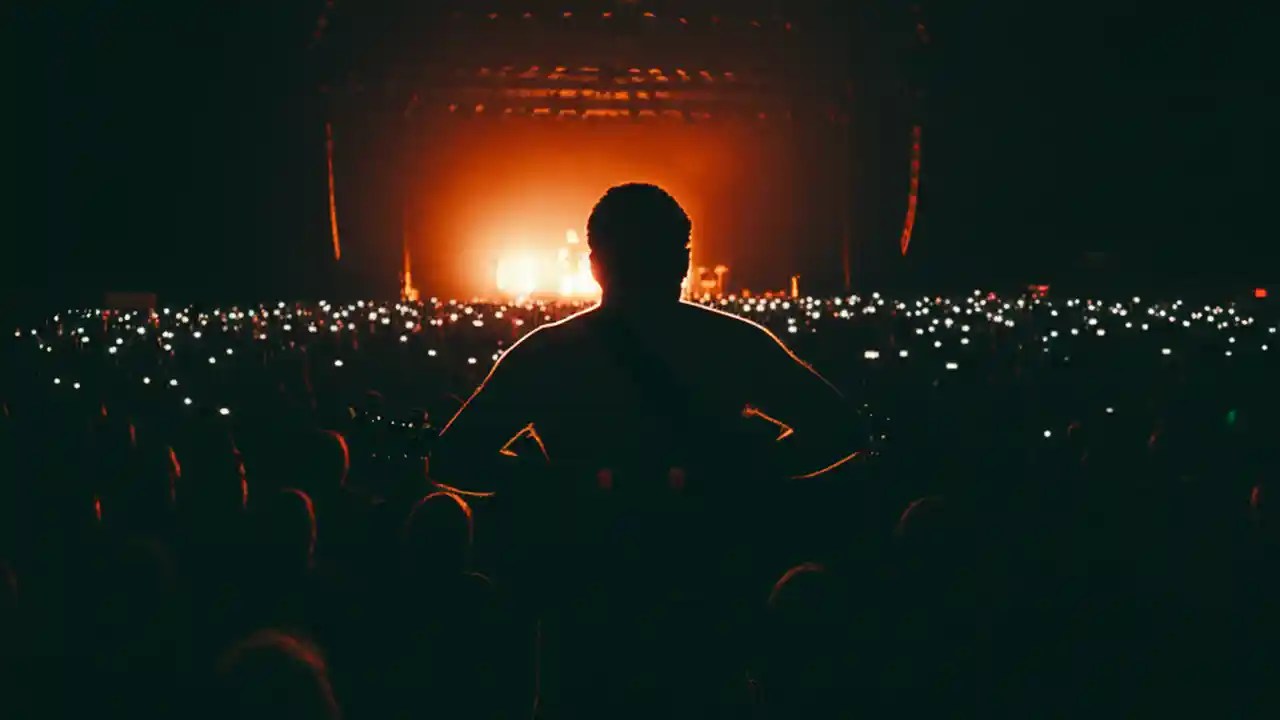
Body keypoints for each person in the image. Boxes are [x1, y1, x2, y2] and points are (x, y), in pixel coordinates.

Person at [431, 183, 868, 495]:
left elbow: (452, 457)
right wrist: (745, 476)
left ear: (594, 265)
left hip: (588, 584)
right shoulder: (734, 344)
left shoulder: (547, 353)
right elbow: (842, 429)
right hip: (715, 580)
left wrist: (565, 487)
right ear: (682, 262)